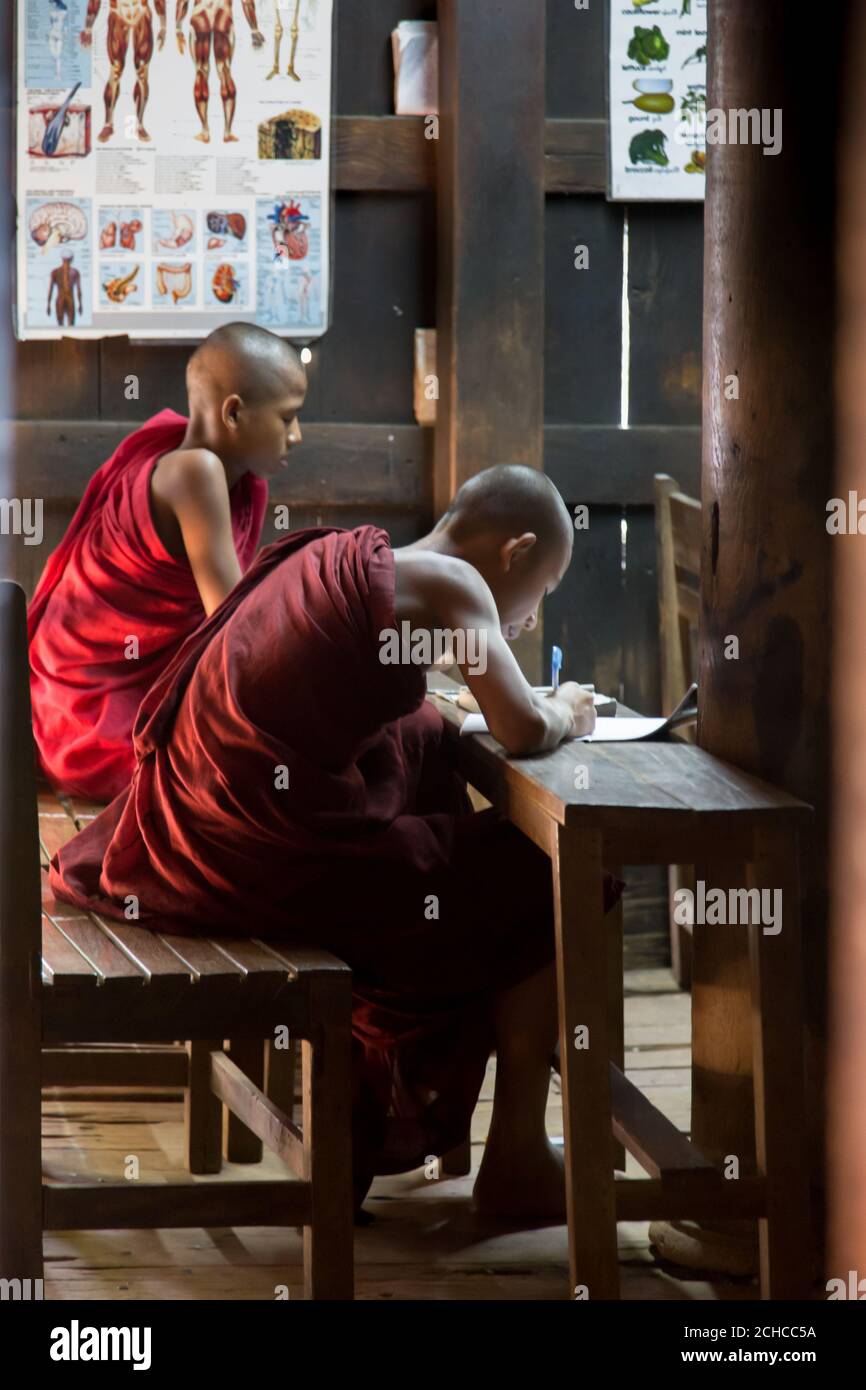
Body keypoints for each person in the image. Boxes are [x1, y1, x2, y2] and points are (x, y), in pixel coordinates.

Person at [50, 465, 623, 1217]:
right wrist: (569, 708)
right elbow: (520, 728)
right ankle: (515, 1154)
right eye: (542, 588)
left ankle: (420, 1119)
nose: (527, 616)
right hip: (256, 865)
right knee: (555, 873)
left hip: (194, 830)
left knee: (421, 749)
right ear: (514, 550)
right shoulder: (456, 586)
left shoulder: (344, 554)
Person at [29, 322, 306, 800]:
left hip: (131, 695)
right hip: (91, 718)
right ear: (234, 413)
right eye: (287, 419)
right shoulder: (194, 472)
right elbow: (233, 626)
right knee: (261, 771)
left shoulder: (239, 481)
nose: (297, 436)